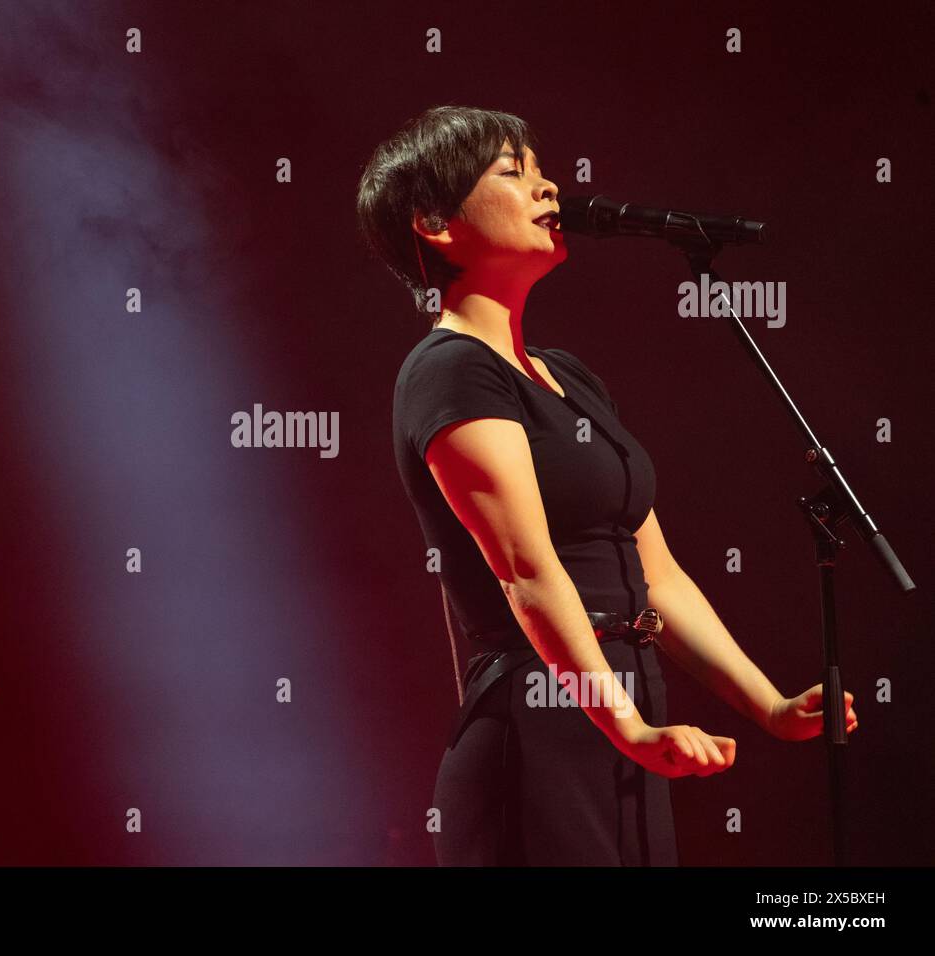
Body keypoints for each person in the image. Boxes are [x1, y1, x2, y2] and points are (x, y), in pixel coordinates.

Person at [355, 105, 859, 865]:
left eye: (540, 167)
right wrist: (624, 724)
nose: (549, 185)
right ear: (434, 222)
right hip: (543, 719)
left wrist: (771, 708)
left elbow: (658, 575)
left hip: (625, 706)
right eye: (513, 172)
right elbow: (526, 569)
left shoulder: (571, 378)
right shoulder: (452, 371)